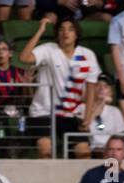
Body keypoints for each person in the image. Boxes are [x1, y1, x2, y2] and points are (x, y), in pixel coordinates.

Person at [21, 15, 99, 160]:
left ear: (76, 34)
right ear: (57, 34)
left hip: (71, 114)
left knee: (84, 153)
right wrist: (40, 31)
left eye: (70, 29)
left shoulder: (87, 55)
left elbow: (91, 88)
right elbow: (24, 58)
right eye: (62, 29)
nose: (66, 33)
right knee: (46, 151)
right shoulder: (48, 49)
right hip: (43, 111)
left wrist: (87, 117)